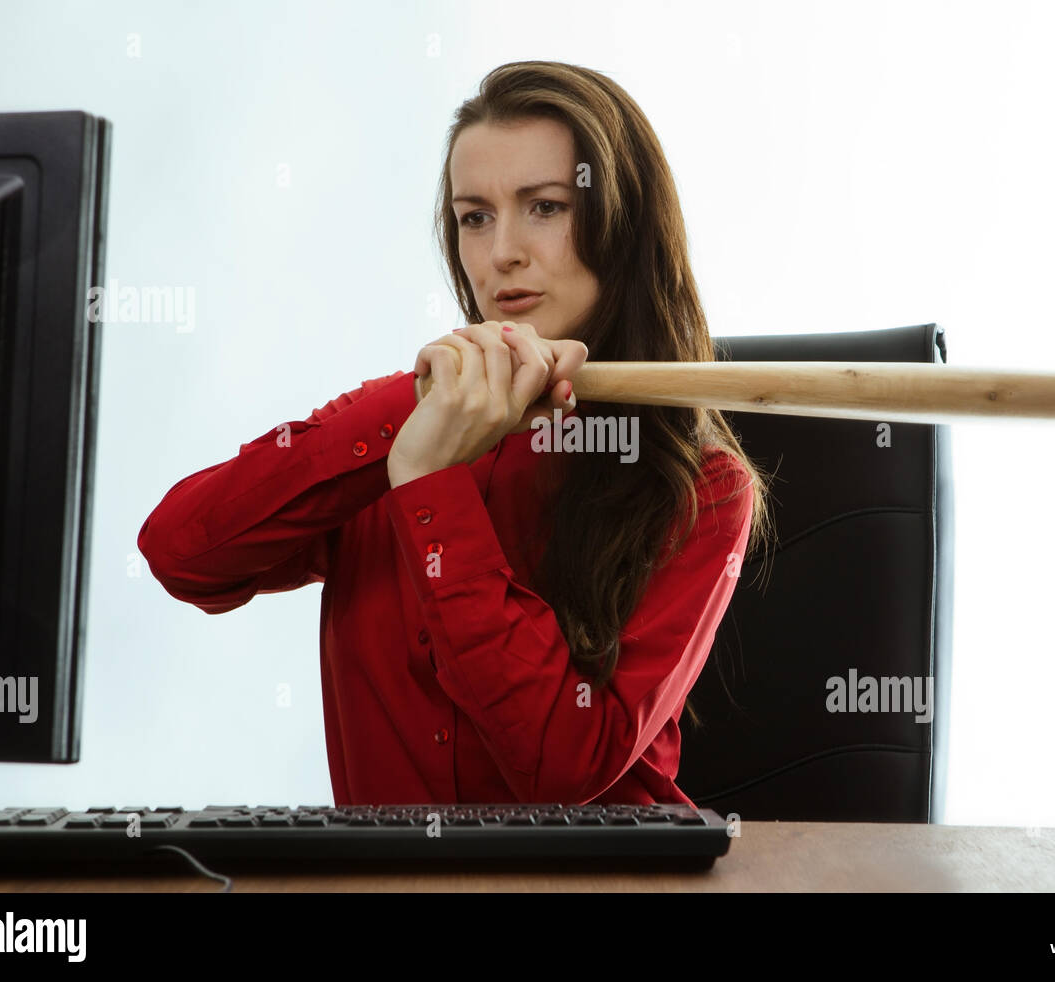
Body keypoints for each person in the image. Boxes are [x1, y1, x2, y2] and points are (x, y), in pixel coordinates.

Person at [137, 61, 774, 808]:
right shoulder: (397, 429)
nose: (501, 251)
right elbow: (182, 556)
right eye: (475, 216)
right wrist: (412, 408)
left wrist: (432, 489)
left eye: (544, 207)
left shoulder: (701, 486)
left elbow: (562, 768)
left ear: (623, 226)